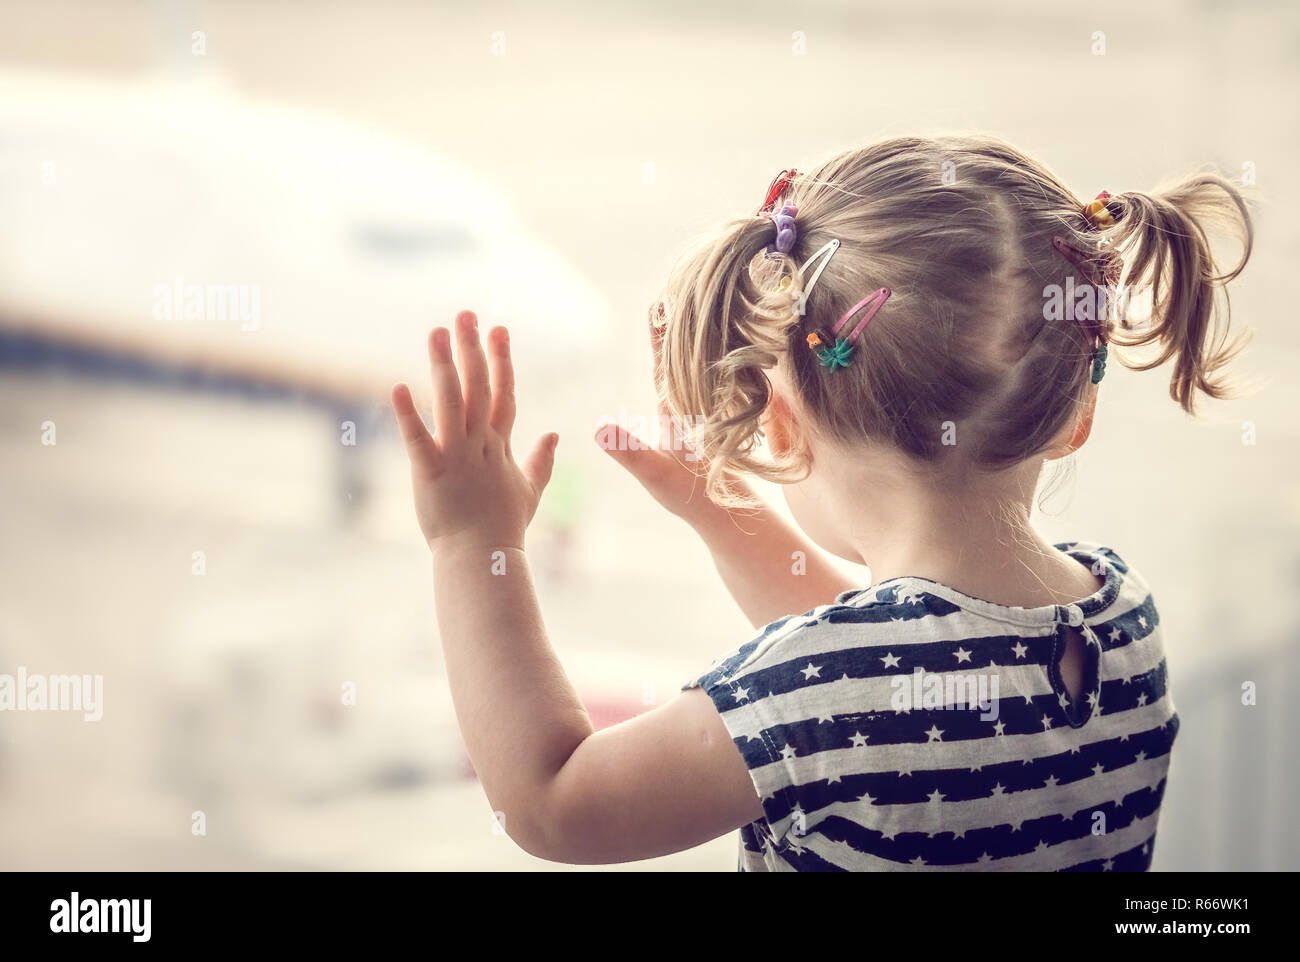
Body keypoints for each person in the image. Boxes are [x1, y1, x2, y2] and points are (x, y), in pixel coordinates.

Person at [389, 134, 1252, 870]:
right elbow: (901, 662)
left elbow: (552, 805)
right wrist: (717, 509)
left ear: (785, 430)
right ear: (1076, 413)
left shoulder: (832, 691)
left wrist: (471, 542)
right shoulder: (1123, 624)